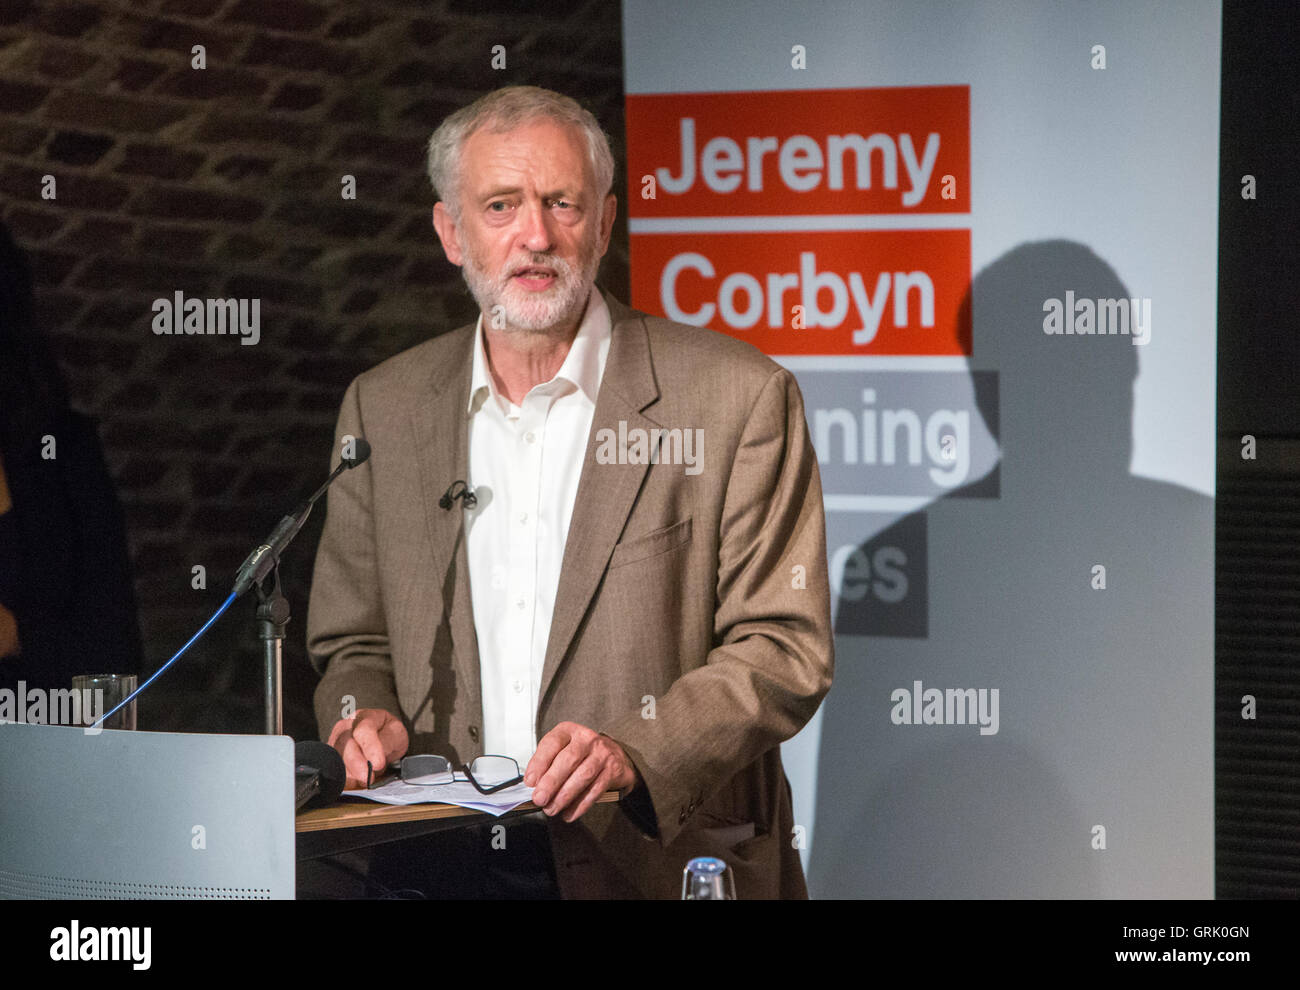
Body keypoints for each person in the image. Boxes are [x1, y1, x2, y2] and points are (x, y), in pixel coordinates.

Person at [306, 85, 833, 899]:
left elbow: (784, 646)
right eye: (501, 205)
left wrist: (635, 749)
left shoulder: (736, 398)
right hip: (436, 868)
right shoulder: (385, 406)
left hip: (652, 863)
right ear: (451, 231)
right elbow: (353, 644)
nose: (537, 235)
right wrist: (360, 712)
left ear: (606, 222)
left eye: (562, 203)